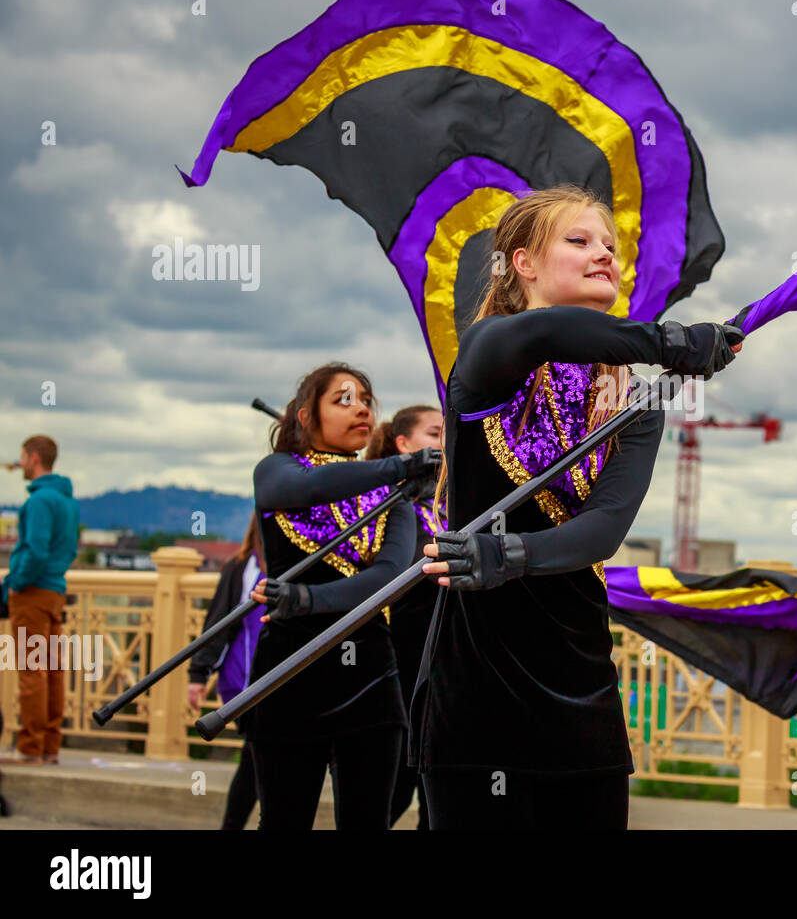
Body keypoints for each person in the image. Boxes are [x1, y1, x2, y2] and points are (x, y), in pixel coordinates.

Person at [412, 184, 742, 829]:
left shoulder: (636, 403)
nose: (604, 256)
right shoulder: (491, 350)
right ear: (524, 264)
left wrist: (510, 552)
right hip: (478, 680)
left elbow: (602, 529)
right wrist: (670, 340)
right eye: (580, 241)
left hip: (579, 681)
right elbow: (548, 331)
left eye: (611, 247)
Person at [242, 363, 439, 830]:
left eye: (367, 400)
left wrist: (305, 599)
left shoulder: (396, 497)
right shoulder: (278, 469)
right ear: (306, 417)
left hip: (369, 676)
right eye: (344, 399)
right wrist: (398, 466)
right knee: (284, 819)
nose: (361, 409)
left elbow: (385, 579)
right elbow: (301, 487)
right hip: (291, 668)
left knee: (368, 821)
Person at [364, 405, 445, 829]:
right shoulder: (396, 508)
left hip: (443, 668)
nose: (444, 444)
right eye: (434, 434)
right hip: (405, 666)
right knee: (396, 787)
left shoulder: (442, 508)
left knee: (437, 792)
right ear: (403, 445)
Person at [0, 436, 79, 766]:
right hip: (55, 590)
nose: (19, 463)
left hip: (32, 592)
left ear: (33, 458)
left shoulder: (38, 502)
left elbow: (35, 549)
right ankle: (49, 746)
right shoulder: (67, 502)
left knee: (32, 670)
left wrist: (15, 584)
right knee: (51, 671)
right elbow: (69, 549)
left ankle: (29, 748)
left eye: (21, 457)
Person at [187, 511, 265, 829]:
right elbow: (218, 622)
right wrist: (198, 675)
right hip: (245, 681)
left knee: (255, 762)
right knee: (257, 761)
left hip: (276, 681)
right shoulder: (241, 567)